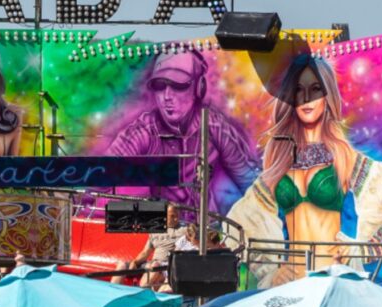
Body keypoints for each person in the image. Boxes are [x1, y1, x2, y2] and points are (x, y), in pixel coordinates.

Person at [226, 49, 382, 277]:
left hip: (333, 274)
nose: (306, 98)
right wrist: (273, 271)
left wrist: (361, 249)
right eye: (299, 90)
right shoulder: (281, 157)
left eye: (316, 89)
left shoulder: (342, 155)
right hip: (293, 279)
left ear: (328, 96)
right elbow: (242, 219)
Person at [97, 49, 260, 218]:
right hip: (162, 228)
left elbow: (251, 183)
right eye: (160, 86)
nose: (167, 96)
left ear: (199, 88)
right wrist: (150, 218)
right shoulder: (143, 132)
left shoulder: (215, 128)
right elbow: (94, 184)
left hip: (207, 229)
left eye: (178, 85)